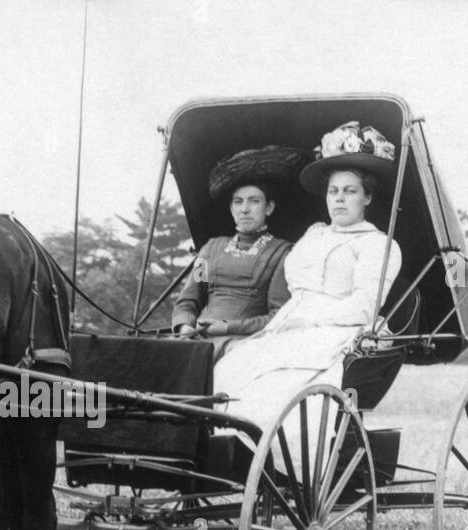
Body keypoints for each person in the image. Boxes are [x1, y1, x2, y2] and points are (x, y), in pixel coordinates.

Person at [213, 121, 402, 446]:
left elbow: (364, 306)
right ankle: (227, 454)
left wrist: (311, 320)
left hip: (339, 329)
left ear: (367, 197)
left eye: (350, 191)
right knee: (231, 368)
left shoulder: (377, 244)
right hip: (291, 323)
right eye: (333, 191)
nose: (339, 199)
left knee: (280, 388)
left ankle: (277, 457)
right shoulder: (314, 234)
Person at [171, 145, 301, 361]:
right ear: (231, 208)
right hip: (196, 340)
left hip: (244, 343)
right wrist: (185, 328)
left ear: (269, 208)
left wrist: (227, 327)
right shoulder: (210, 250)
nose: (245, 209)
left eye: (254, 201)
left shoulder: (282, 253)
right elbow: (188, 300)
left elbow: (277, 316)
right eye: (238, 202)